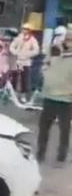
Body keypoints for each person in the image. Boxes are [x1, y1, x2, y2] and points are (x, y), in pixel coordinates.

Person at [37, 32, 72, 164]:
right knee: (44, 128)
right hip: (49, 96)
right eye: (67, 39)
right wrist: (46, 73)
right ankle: (40, 154)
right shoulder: (54, 50)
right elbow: (45, 65)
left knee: (65, 129)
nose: (69, 42)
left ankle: (61, 156)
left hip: (66, 99)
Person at [9, 23, 40, 102]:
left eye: (26, 29)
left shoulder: (32, 39)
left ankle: (23, 95)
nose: (24, 30)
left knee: (24, 79)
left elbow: (36, 50)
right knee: (15, 77)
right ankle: (14, 93)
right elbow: (12, 46)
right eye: (24, 29)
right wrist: (16, 52)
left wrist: (28, 54)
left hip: (26, 62)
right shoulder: (19, 38)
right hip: (18, 61)